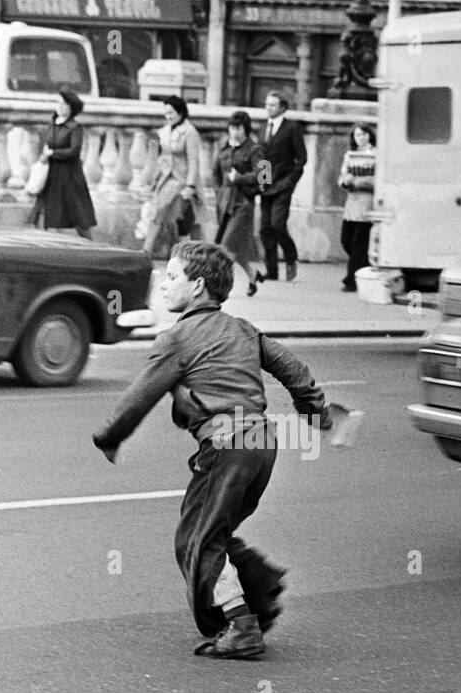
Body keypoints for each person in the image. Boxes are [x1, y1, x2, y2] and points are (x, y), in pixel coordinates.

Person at [92, 239, 338, 659]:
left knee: (197, 540)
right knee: (213, 533)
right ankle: (258, 588)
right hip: (262, 444)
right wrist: (316, 411)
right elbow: (294, 370)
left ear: (199, 286)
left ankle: (243, 625)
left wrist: (109, 436)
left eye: (172, 277)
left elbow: (140, 396)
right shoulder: (244, 330)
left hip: (226, 447)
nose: (163, 285)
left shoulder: (178, 339)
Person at [31, 85, 96, 240]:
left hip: (69, 176)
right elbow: (46, 145)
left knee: (77, 214)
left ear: (71, 107)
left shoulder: (74, 127)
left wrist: (53, 153)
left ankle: (91, 246)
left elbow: (74, 151)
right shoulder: (53, 124)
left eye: (63, 104)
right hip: (52, 175)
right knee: (46, 212)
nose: (59, 107)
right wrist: (44, 157)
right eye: (57, 103)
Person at [212, 110, 265, 297]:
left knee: (225, 246)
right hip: (225, 204)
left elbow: (264, 177)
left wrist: (239, 178)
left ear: (246, 129)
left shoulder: (255, 149)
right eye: (232, 128)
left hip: (243, 204)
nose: (235, 132)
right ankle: (253, 275)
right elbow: (215, 174)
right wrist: (219, 193)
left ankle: (218, 286)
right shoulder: (224, 148)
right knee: (236, 248)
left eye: (239, 128)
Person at [144, 96, 203, 260]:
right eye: (166, 113)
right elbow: (157, 155)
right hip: (166, 180)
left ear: (180, 112)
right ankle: (148, 251)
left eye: (171, 113)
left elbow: (193, 160)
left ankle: (189, 253)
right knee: (160, 214)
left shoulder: (190, 132)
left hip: (181, 182)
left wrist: (190, 185)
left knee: (180, 220)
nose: (168, 116)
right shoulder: (164, 131)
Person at [258, 91, 307, 282]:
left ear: (282, 108)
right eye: (267, 104)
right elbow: (262, 156)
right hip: (266, 184)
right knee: (265, 227)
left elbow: (301, 159)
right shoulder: (263, 128)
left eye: (272, 105)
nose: (268, 108)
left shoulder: (292, 129)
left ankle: (290, 257)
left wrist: (290, 181)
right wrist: (262, 181)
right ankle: (271, 270)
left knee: (277, 224)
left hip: (283, 183)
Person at [337, 123, 377, 291]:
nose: (360, 138)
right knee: (346, 239)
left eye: (363, 134)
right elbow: (343, 175)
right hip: (352, 202)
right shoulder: (350, 154)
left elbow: (378, 179)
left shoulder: (376, 154)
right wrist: (345, 182)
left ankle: (351, 279)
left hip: (367, 201)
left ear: (370, 135)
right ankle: (362, 267)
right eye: (357, 135)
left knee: (358, 242)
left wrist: (360, 181)